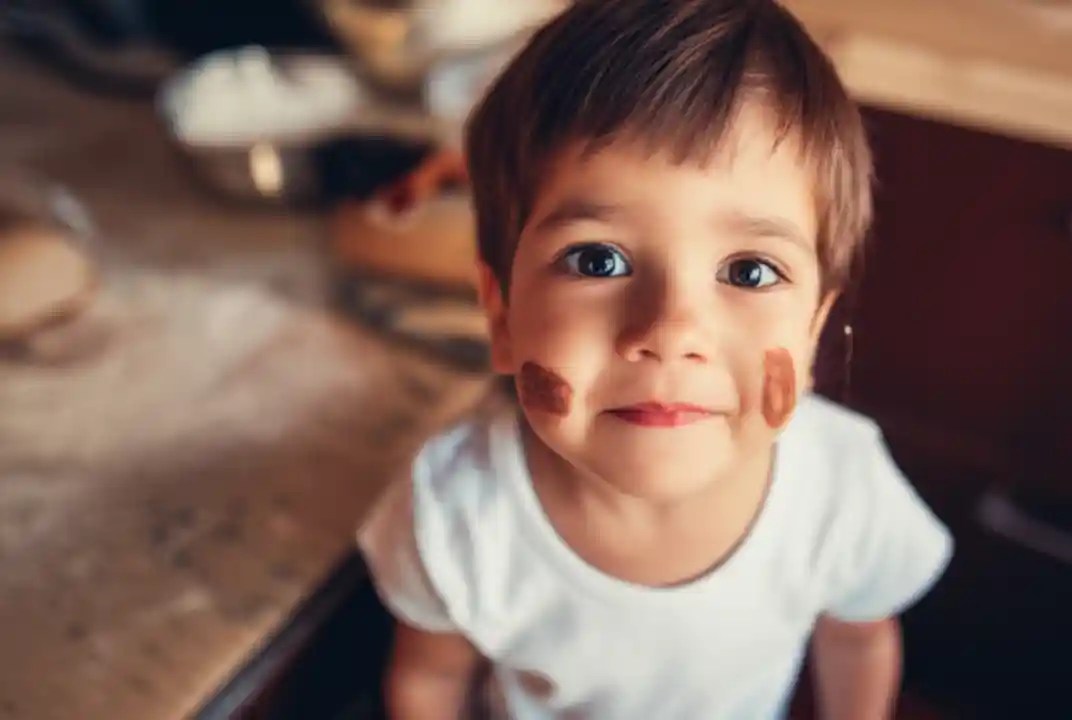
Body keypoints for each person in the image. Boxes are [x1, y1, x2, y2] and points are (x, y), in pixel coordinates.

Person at [358, 1, 952, 717]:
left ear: (812, 333)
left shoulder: (842, 491)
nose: (671, 330)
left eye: (750, 271)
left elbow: (858, 643)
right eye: (597, 260)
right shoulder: (455, 513)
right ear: (502, 314)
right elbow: (429, 681)